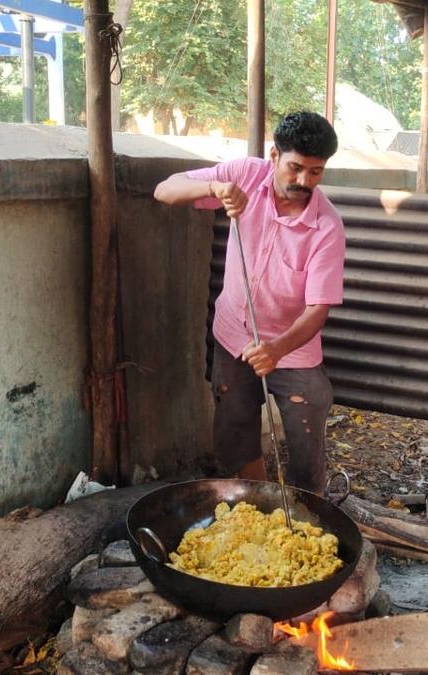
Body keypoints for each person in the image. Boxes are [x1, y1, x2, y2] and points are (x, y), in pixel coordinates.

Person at [153, 112, 344, 495]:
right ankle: (258, 501)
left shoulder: (327, 226)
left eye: (315, 172)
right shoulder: (245, 174)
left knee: (307, 432)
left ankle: (308, 505)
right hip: (233, 333)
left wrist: (276, 350)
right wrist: (215, 187)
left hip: (292, 347)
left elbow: (317, 310)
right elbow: (164, 190)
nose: (304, 181)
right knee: (234, 427)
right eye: (295, 168)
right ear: (274, 156)